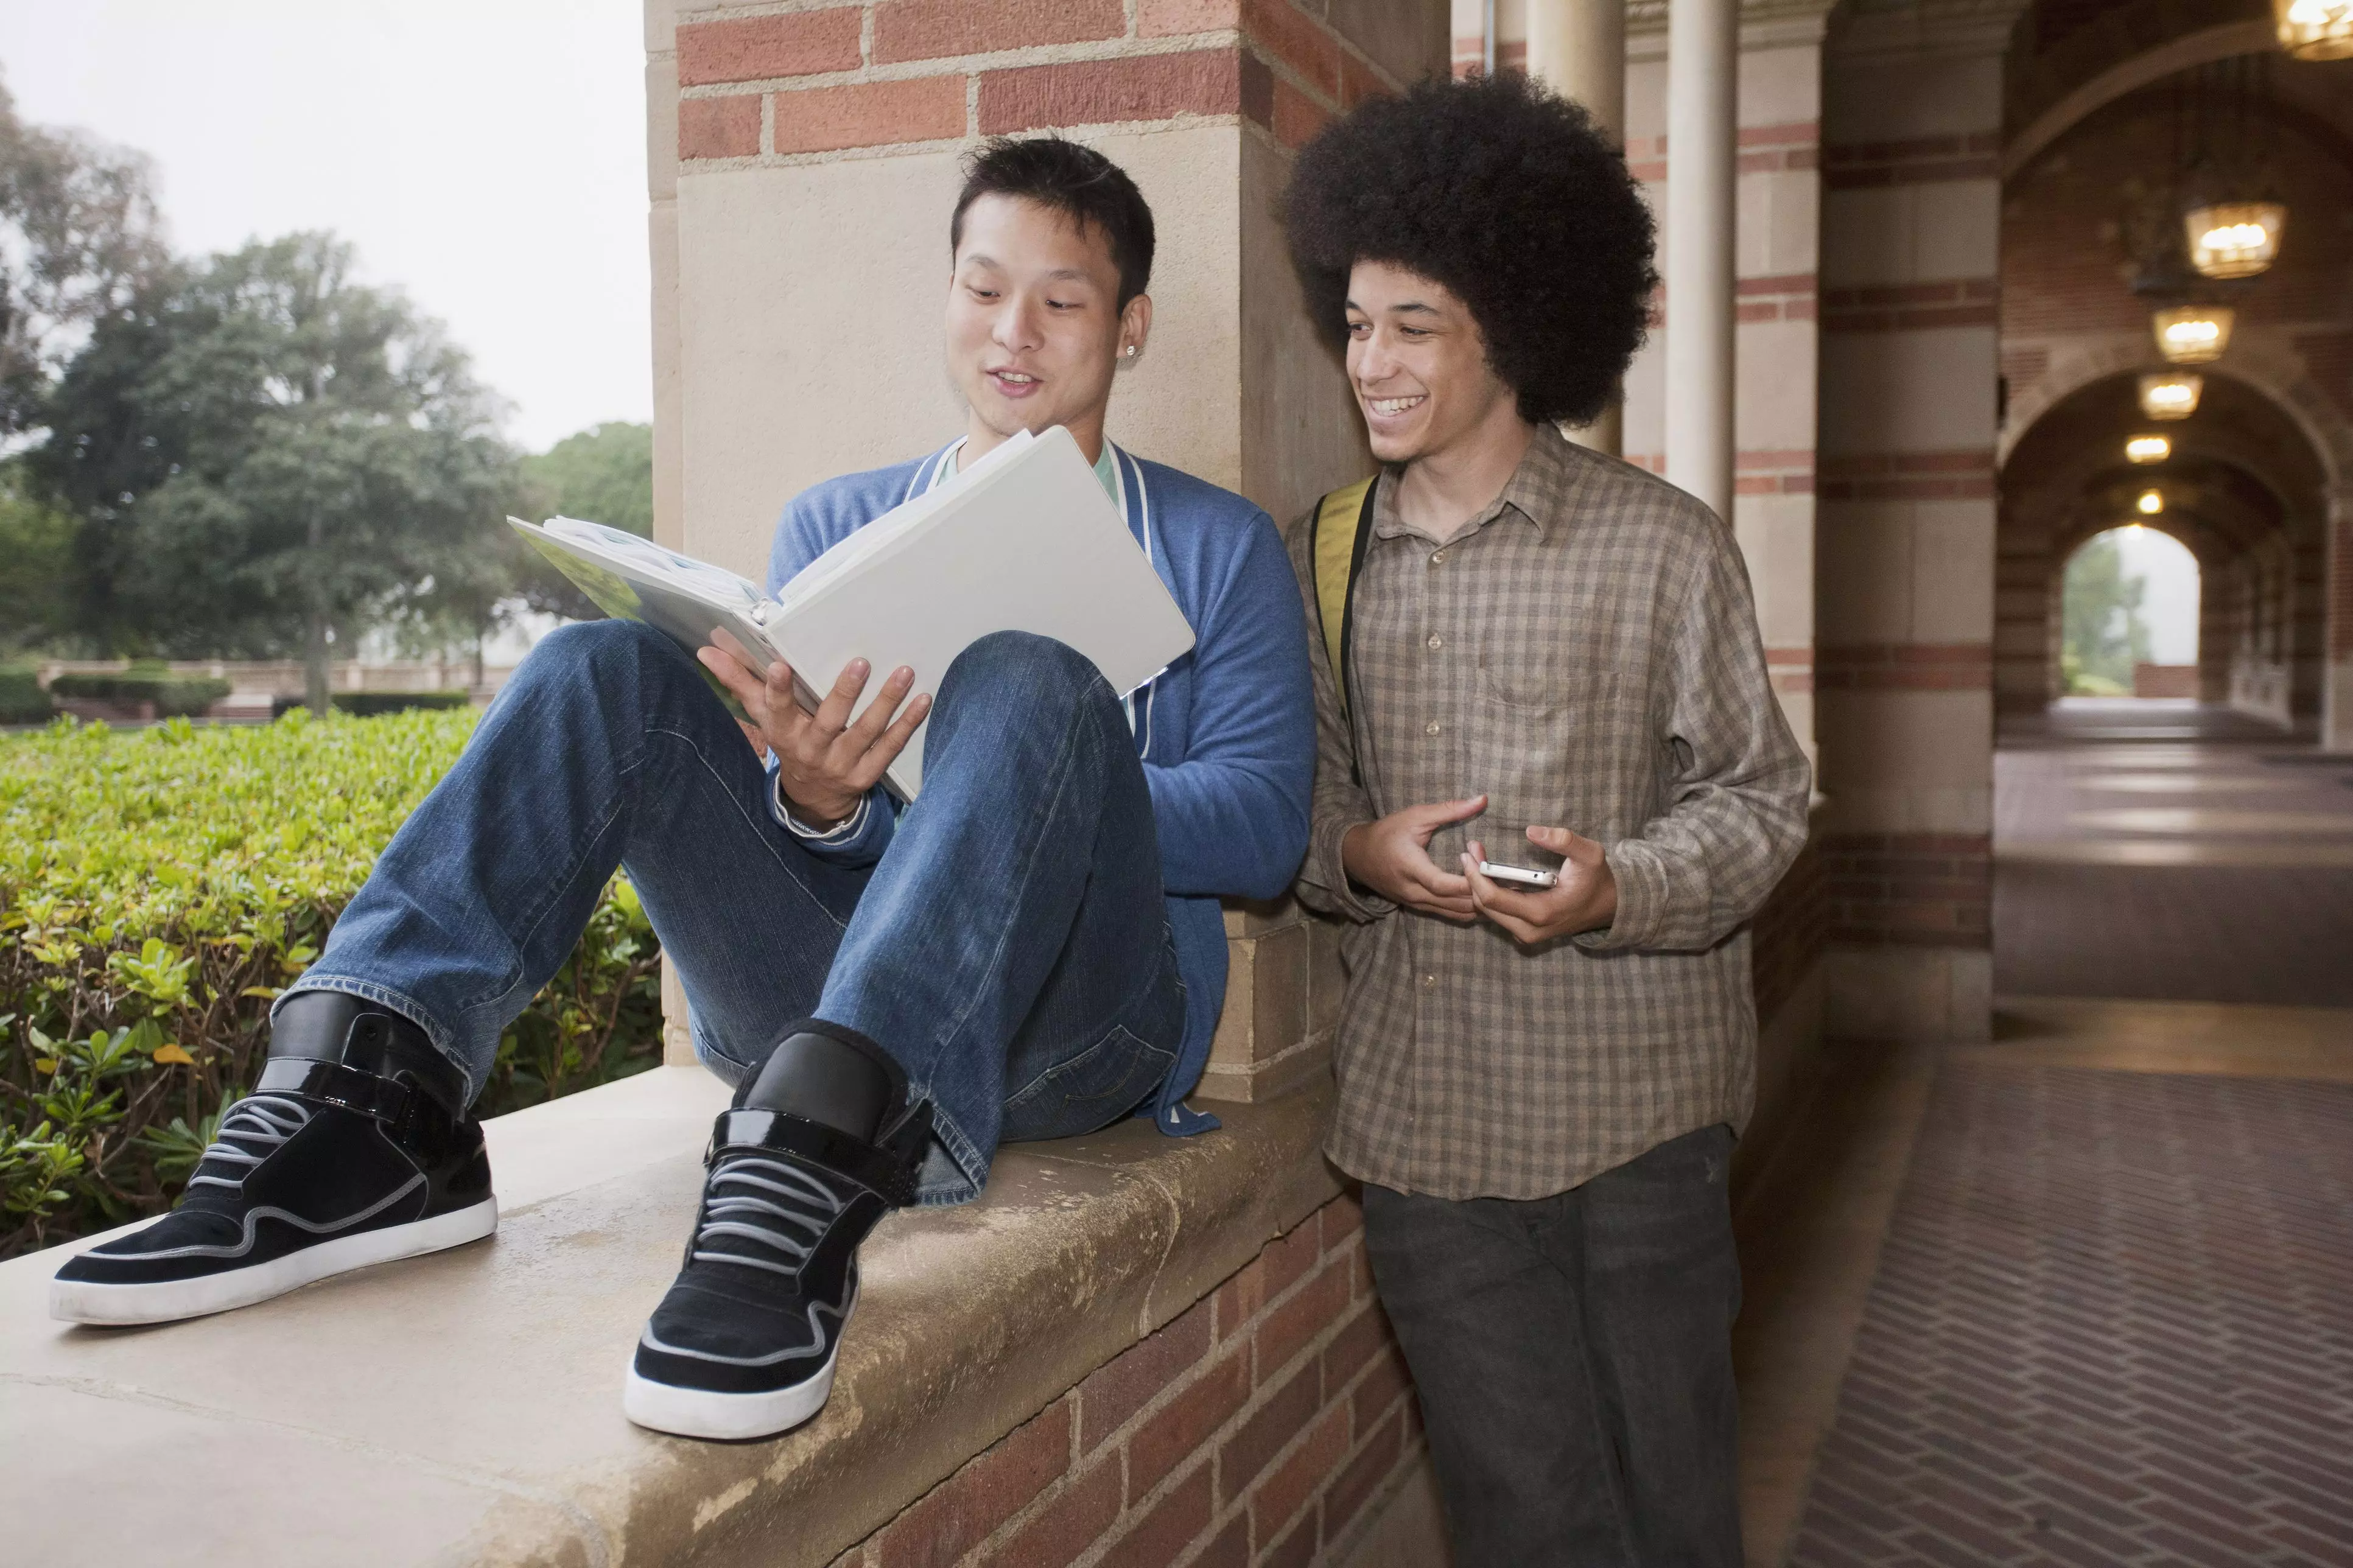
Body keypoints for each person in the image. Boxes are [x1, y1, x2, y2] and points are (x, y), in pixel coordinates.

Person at [51, 136, 1317, 1445]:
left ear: (1132, 325)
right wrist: (825, 801)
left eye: (1060, 300)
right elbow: (813, 822)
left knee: (1026, 678)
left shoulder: (1218, 547)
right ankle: (370, 1103)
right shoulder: (839, 524)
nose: (1014, 331)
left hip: (1077, 1027)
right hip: (829, 1018)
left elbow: (1269, 826)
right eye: (982, 288)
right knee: (604, 666)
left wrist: (1007, 774)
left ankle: (804, 1189)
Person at [1279, 74, 1811, 1564]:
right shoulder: (1324, 556)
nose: (1369, 362)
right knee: (1525, 1521)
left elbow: (1764, 800)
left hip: (1638, 1124)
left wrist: (1618, 886)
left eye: (1414, 327)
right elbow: (1309, 790)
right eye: (1359, 324)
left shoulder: (1665, 546)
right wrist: (1359, 855)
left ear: (1513, 328)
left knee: (1673, 1510)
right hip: (1425, 1132)